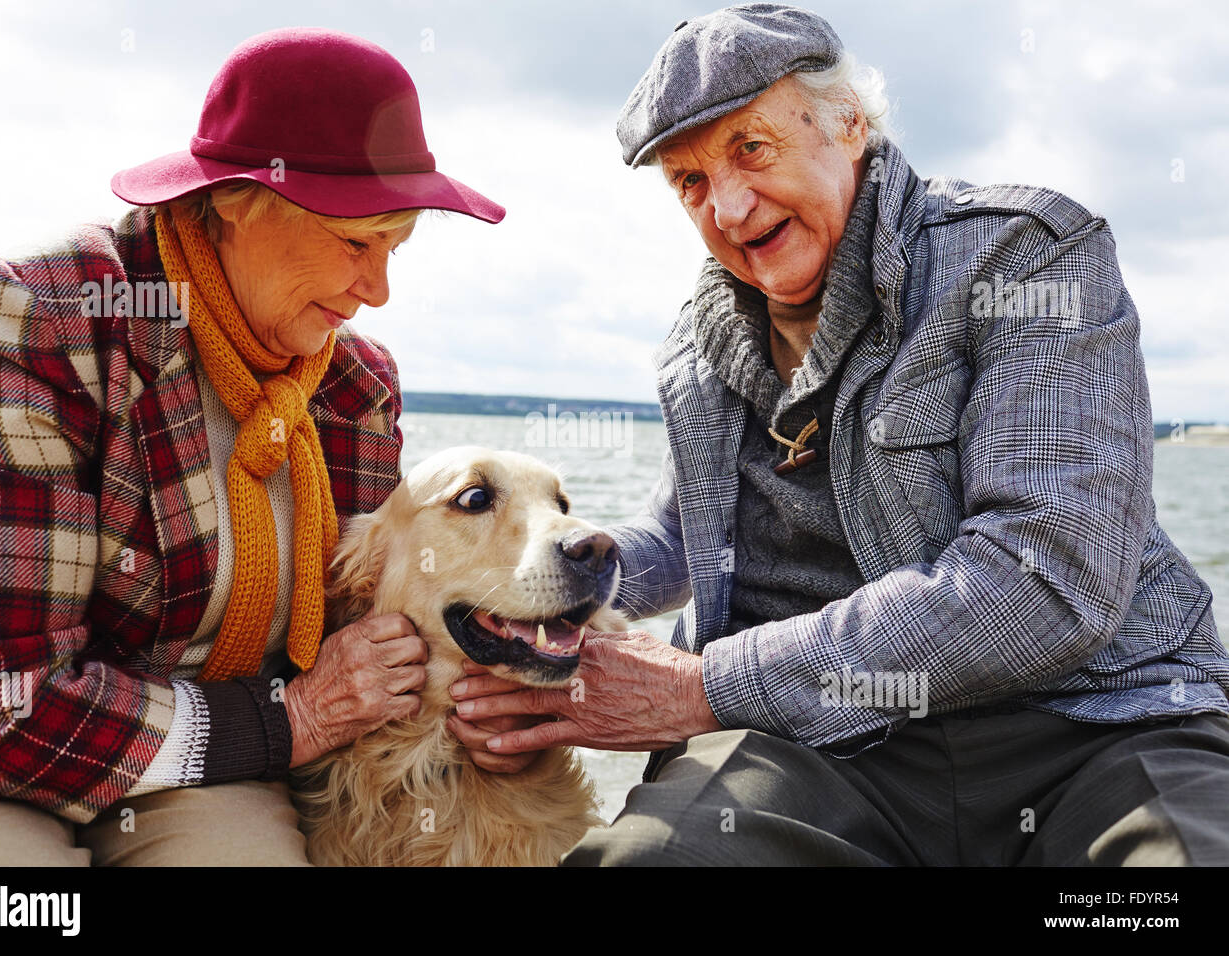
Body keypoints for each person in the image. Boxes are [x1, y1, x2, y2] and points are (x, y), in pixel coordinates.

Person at [448, 3, 1229, 865]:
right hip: (812, 751)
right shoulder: (694, 344)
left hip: (1094, 726)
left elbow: (1042, 579)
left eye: (751, 148)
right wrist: (524, 586)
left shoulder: (1028, 255)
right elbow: (683, 535)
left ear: (849, 122)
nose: (730, 208)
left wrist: (707, 686)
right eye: (690, 181)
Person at [0, 27, 508, 865]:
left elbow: (376, 634)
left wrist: (524, 673)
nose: (379, 291)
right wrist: (291, 721)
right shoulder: (40, 316)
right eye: (357, 242)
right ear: (236, 200)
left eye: (395, 248)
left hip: (223, 769)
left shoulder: (354, 389)